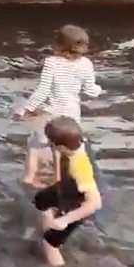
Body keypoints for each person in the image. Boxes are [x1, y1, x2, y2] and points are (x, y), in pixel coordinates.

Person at [14, 25, 102, 186]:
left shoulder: (51, 63)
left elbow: (42, 91)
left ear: (58, 44)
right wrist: (99, 89)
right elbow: (91, 91)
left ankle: (29, 177)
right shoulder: (86, 64)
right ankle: (61, 178)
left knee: (35, 144)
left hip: (52, 115)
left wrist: (26, 108)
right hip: (72, 117)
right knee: (64, 148)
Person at [34, 116, 103, 267]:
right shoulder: (76, 141)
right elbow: (57, 154)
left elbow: (95, 203)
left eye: (50, 143)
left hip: (81, 201)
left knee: (50, 243)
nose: (48, 144)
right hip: (68, 186)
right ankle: (49, 227)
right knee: (41, 200)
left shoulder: (80, 166)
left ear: (62, 146)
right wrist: (58, 181)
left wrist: (64, 220)